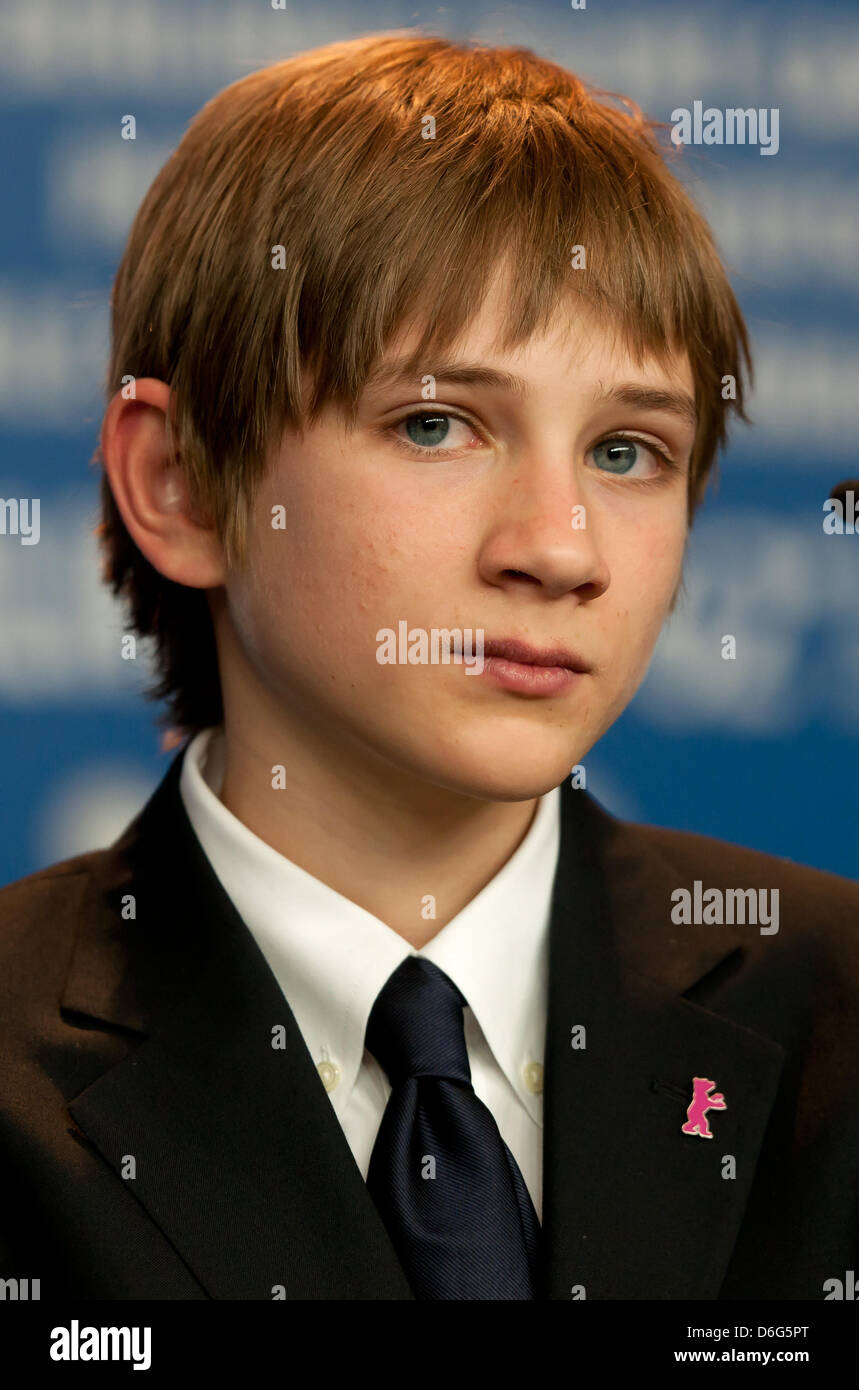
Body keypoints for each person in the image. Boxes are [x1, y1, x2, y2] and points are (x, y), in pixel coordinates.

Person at [1, 32, 856, 1302]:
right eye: (435, 423)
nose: (561, 551)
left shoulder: (836, 1017)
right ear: (178, 485)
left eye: (627, 452)